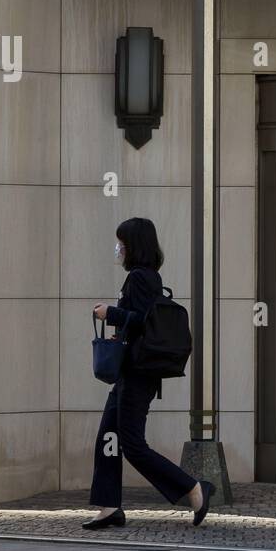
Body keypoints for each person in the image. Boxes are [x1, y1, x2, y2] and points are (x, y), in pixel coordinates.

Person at [84, 217, 215, 529]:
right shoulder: (145, 276)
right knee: (109, 436)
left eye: (122, 244)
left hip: (138, 372)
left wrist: (109, 313)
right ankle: (109, 506)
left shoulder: (141, 278)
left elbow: (142, 320)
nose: (118, 249)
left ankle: (194, 489)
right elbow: (140, 321)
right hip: (132, 370)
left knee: (132, 444)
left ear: (134, 246)